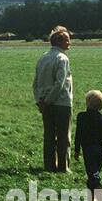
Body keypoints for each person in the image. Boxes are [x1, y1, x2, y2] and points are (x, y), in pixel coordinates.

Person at [32, 25, 73, 172]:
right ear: (59, 42)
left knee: (49, 136)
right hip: (61, 103)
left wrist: (40, 101)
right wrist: (50, 100)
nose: (70, 43)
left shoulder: (43, 58)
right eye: (67, 40)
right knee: (63, 137)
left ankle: (49, 166)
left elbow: (35, 83)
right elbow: (60, 84)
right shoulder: (62, 58)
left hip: (44, 104)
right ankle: (63, 167)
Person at [74, 89, 102, 201]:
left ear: (87, 103)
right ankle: (91, 200)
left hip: (88, 150)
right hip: (101, 150)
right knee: (94, 174)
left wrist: (76, 149)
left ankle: (101, 197)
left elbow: (78, 134)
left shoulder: (82, 117)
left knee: (93, 176)